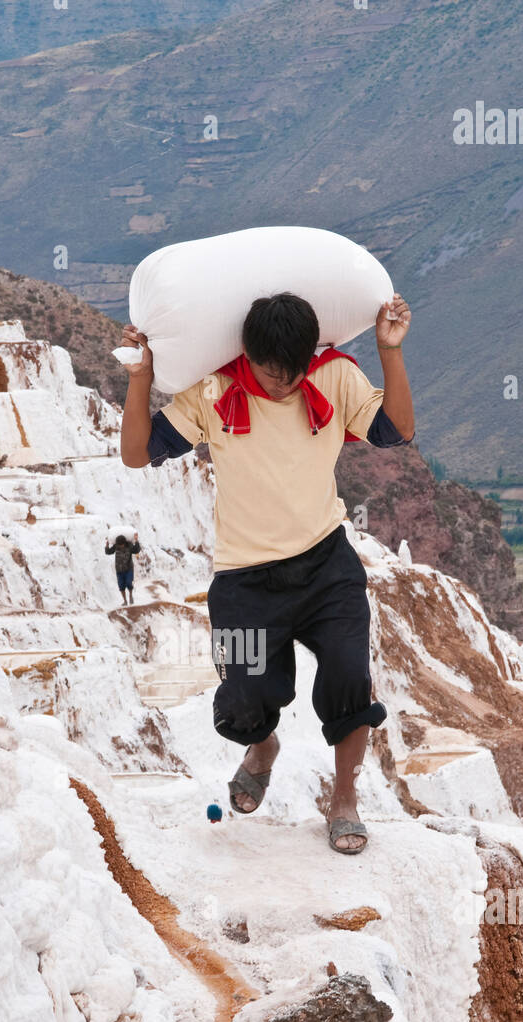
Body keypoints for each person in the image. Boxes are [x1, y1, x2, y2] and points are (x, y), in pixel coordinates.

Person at [119, 289, 414, 854]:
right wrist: (140, 377)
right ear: (246, 354)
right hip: (245, 578)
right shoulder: (214, 391)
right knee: (243, 699)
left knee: (350, 677)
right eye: (268, 371)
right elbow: (137, 453)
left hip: (327, 564)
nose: (280, 384)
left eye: (291, 372)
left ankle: (345, 799)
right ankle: (263, 748)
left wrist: (389, 351)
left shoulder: (336, 377)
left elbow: (397, 431)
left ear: (309, 356)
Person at [105, 529, 141, 604]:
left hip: (128, 569)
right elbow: (108, 552)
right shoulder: (116, 546)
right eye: (119, 545)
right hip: (119, 570)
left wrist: (136, 540)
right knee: (121, 586)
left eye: (121, 545)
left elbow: (136, 550)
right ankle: (125, 601)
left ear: (125, 543)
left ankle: (130, 595)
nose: (120, 546)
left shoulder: (129, 545)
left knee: (128, 583)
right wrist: (107, 546)